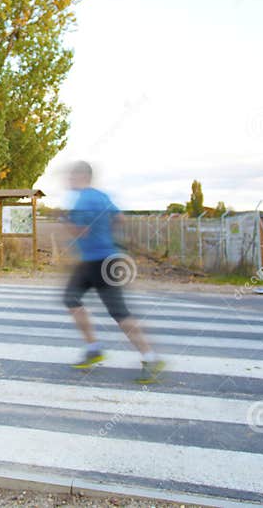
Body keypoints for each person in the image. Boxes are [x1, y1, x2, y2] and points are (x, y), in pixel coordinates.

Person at [63, 161, 165, 384]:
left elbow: (82, 231)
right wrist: (107, 237)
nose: (68, 180)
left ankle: (150, 357)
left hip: (97, 263)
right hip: (103, 259)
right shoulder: (101, 196)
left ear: (83, 176)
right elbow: (120, 219)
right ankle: (94, 348)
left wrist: (67, 222)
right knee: (71, 298)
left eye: (72, 176)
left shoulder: (83, 200)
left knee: (119, 313)